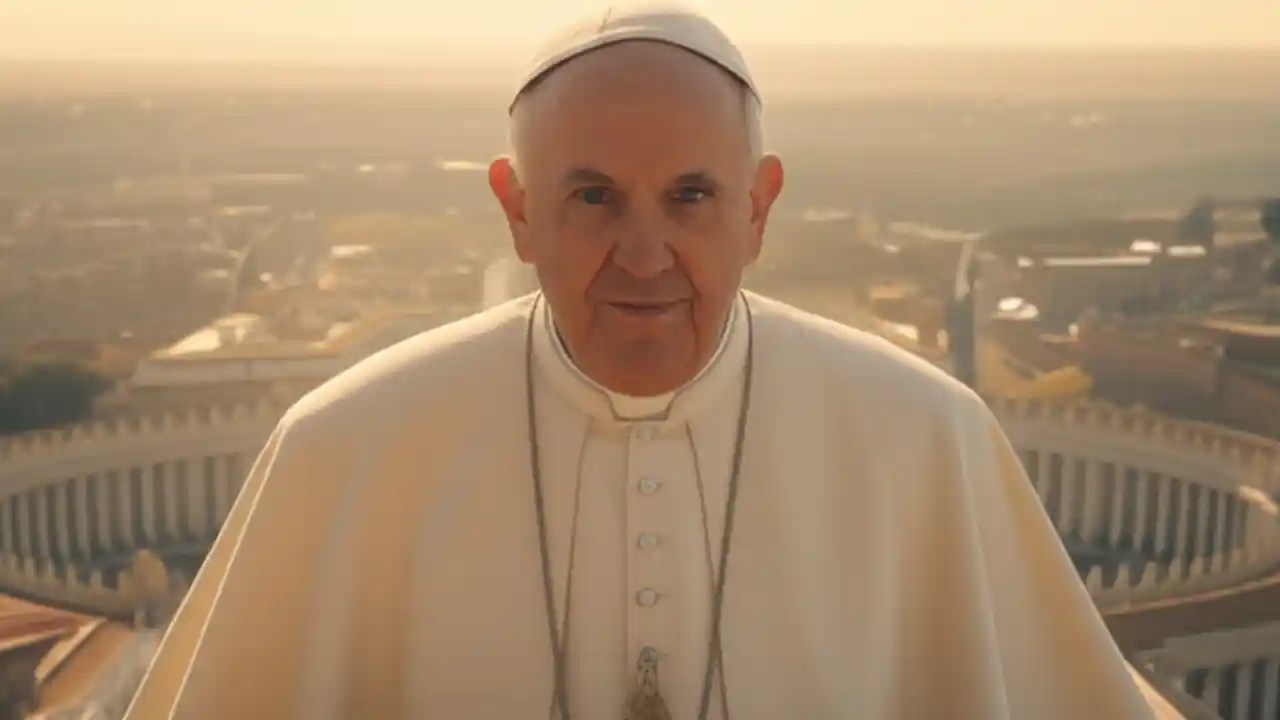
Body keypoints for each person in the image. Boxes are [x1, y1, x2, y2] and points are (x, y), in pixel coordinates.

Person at [125, 4, 1156, 718]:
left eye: (691, 197)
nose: (645, 251)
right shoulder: (340, 450)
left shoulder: (926, 439)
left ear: (758, 207)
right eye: (591, 197)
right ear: (515, 210)